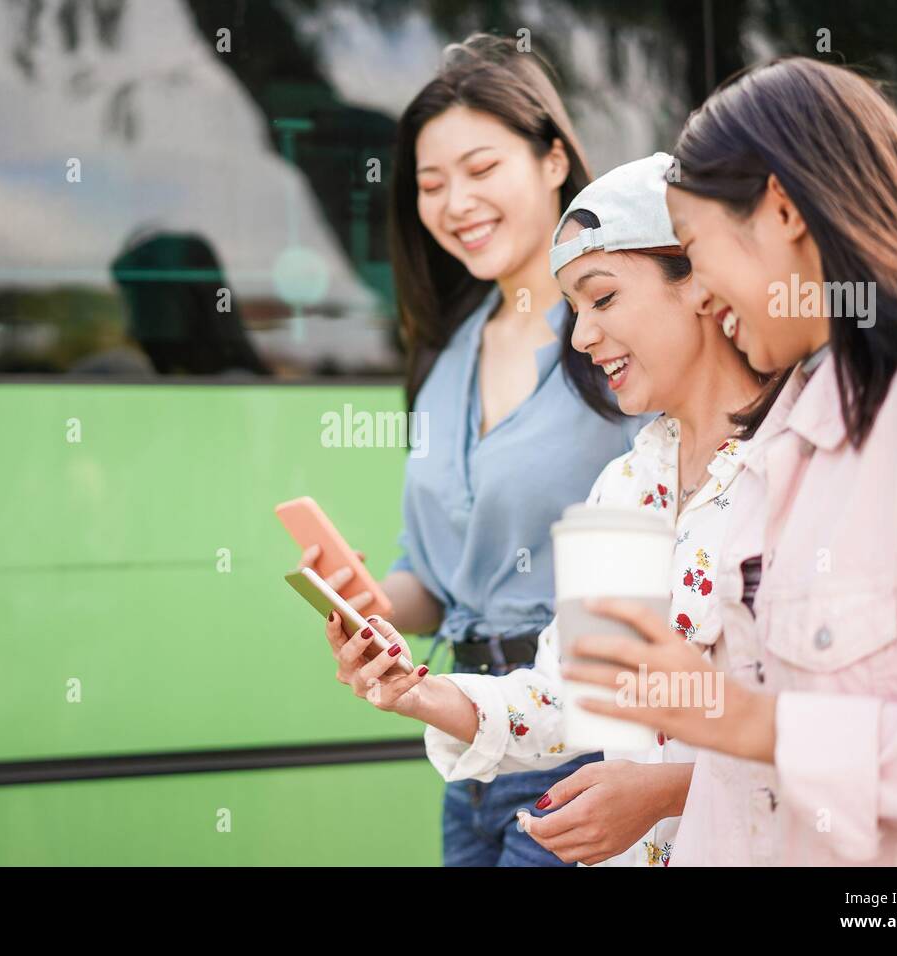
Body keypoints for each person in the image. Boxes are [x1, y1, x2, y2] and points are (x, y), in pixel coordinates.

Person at [563, 56, 897, 864]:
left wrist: (745, 721)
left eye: (697, 248)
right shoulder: (787, 441)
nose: (701, 293)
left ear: (781, 211)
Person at [318, 153, 766, 866]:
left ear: (701, 280)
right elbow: (567, 700)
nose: (581, 338)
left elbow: (856, 744)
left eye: (604, 298)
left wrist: (665, 793)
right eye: (575, 309)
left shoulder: (806, 470)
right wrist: (418, 692)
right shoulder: (623, 487)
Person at [299, 34, 639, 867]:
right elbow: (438, 578)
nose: (457, 202)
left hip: (590, 743)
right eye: (431, 183)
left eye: (482, 169)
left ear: (555, 159)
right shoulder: (445, 357)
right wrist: (373, 605)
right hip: (473, 751)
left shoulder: (617, 331)